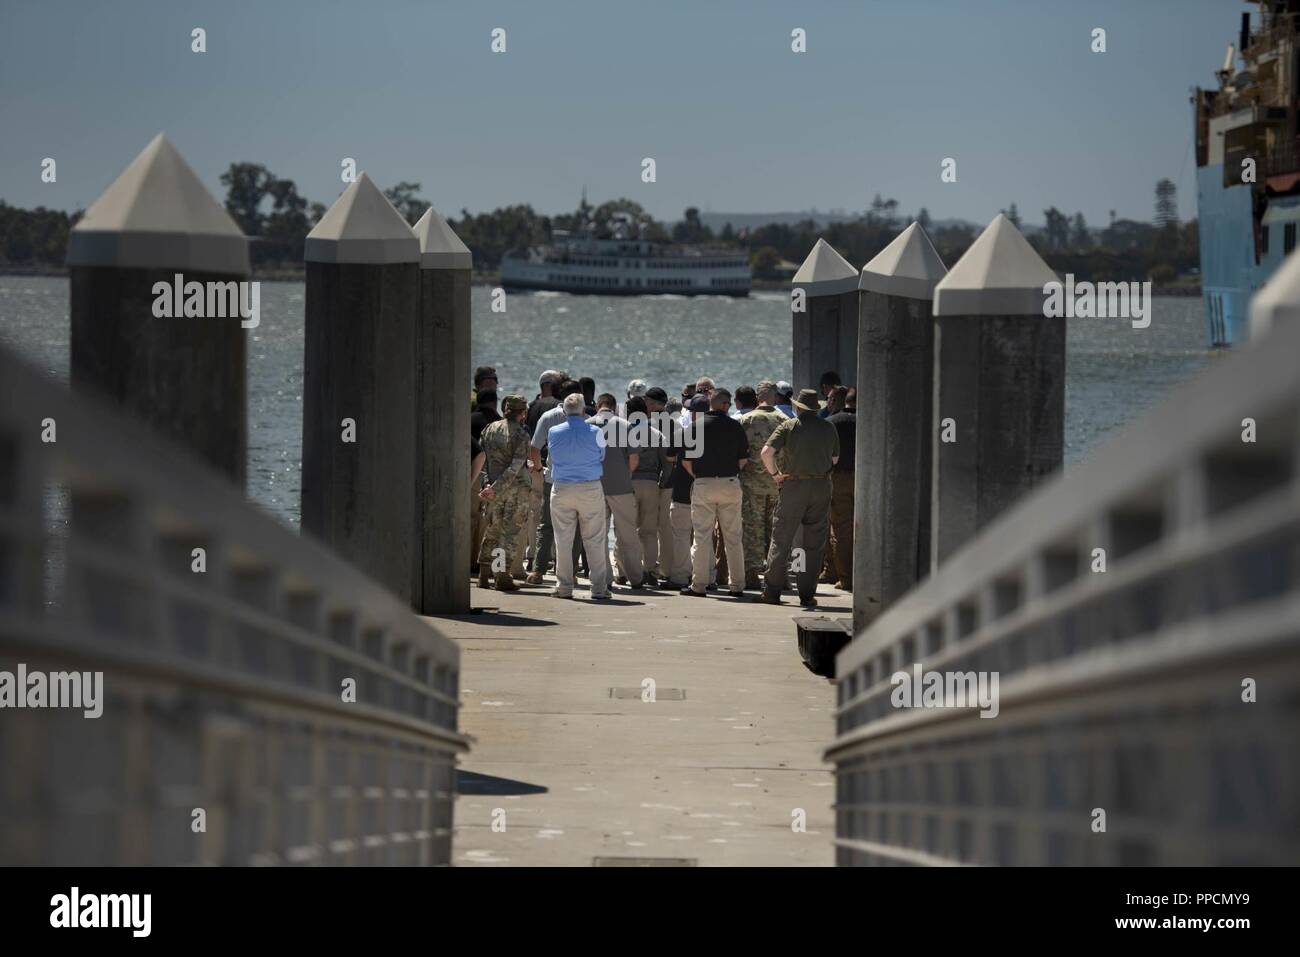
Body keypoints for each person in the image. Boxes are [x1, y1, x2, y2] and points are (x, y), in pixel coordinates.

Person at [759, 389, 840, 608]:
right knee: (812, 543)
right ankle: (806, 594)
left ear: (797, 407)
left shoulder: (788, 426)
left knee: (782, 538)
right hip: (821, 485)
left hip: (794, 485)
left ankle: (772, 591)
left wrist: (776, 475)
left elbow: (766, 453)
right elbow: (835, 458)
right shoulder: (828, 427)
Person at [681, 388, 748, 597]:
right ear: (726, 404)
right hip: (729, 482)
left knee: (701, 537)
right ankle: (737, 585)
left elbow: (686, 461)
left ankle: (698, 585)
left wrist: (699, 477)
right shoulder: (735, 426)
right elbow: (743, 460)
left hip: (703, 483)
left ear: (711, 403)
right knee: (733, 537)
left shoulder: (695, 427)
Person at [547, 393, 610, 600]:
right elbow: (602, 456)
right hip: (589, 487)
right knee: (595, 538)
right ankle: (599, 588)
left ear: (564, 411)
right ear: (584, 411)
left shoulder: (553, 431)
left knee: (562, 539)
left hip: (562, 487)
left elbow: (552, 457)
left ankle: (564, 586)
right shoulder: (596, 431)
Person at [527, 378, 585, 584]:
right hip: (579, 479)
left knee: (547, 525)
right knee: (576, 527)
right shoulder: (585, 418)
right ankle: (571, 572)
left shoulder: (549, 416)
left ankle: (538, 571)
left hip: (553, 478)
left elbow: (535, 447)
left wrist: (538, 468)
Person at [475, 395, 535, 592]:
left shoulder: (489, 429)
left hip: (492, 489)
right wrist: (496, 488)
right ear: (523, 413)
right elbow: (516, 467)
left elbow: (485, 460)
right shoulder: (520, 434)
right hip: (514, 491)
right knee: (508, 534)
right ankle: (501, 577)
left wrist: (488, 485)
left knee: (491, 530)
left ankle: (484, 575)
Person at [590, 393, 646, 592]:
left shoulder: (588, 424)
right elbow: (634, 459)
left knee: (598, 535)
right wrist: (625, 475)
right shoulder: (625, 425)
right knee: (628, 534)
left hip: (594, 487)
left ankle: (604, 578)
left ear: (598, 405)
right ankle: (636, 578)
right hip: (622, 487)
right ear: (613, 407)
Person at [738, 380, 786, 591]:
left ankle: (751, 574)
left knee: (752, 530)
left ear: (758, 398)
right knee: (776, 531)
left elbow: (738, 453)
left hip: (751, 486)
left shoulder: (746, 420)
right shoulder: (784, 420)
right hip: (777, 484)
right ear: (775, 397)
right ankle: (779, 576)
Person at [667, 394, 707, 588]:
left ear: (691, 414)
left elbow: (670, 458)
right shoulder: (717, 433)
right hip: (706, 488)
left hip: (683, 488)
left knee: (681, 535)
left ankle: (680, 577)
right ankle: (708, 576)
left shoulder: (682, 433)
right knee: (704, 534)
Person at [627, 395, 667, 587]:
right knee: (649, 532)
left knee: (626, 530)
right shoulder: (657, 434)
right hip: (651, 483)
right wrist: (662, 483)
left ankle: (624, 570)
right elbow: (666, 464)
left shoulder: (624, 432)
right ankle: (650, 570)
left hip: (629, 484)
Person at [826, 386, 856, 590]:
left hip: (837, 478)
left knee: (841, 529)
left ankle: (844, 578)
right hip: (865, 477)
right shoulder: (870, 419)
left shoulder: (830, 423)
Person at [645, 387, 677, 580]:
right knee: (666, 527)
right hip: (670, 481)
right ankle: (667, 569)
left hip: (651, 480)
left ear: (654, 403)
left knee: (648, 527)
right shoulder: (674, 425)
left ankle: (648, 566)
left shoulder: (648, 424)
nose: (645, 405)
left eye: (648, 402)